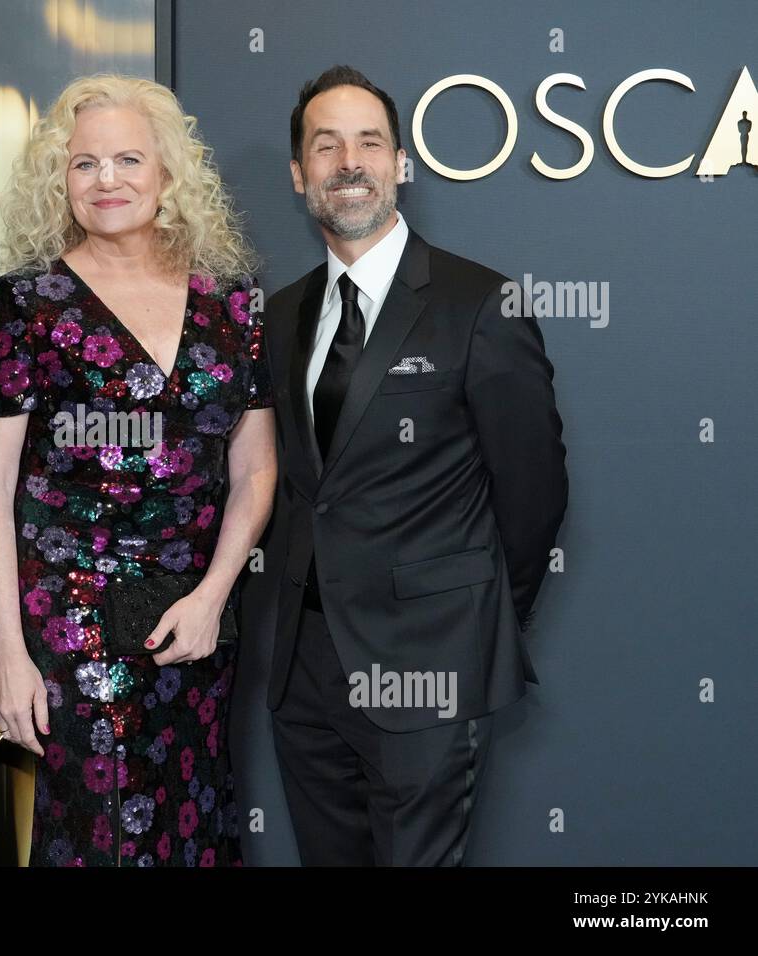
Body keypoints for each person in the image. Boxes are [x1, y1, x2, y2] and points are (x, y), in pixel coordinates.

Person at [256, 65, 567, 866]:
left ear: (401, 164)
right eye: (326, 146)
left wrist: (471, 620)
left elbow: (533, 496)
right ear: (299, 175)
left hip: (431, 663)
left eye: (369, 142)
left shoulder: (481, 304)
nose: (348, 162)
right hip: (306, 668)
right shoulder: (281, 312)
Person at [0, 75, 276, 867]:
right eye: (84, 164)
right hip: (73, 620)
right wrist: (8, 652)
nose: (108, 180)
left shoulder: (234, 302)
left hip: (196, 624)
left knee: (191, 821)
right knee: (102, 833)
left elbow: (255, 469)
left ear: (168, 173)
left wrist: (212, 596)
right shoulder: (25, 304)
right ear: (57, 181)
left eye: (129, 158)